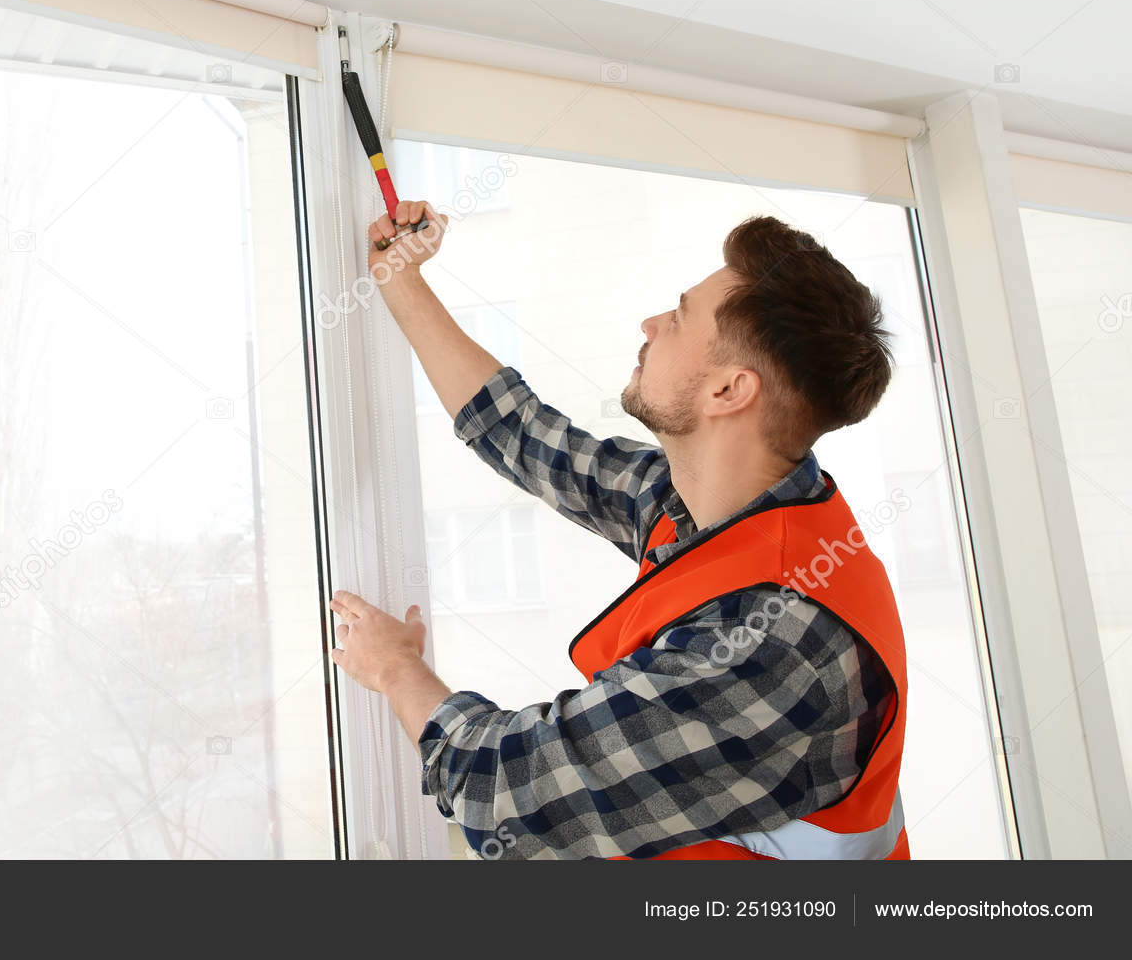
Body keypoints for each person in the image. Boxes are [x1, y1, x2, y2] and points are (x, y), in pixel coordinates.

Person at [329, 201, 910, 860]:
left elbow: (509, 792)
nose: (651, 324)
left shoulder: (775, 645)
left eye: (679, 317)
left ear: (729, 390)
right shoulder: (720, 503)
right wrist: (399, 276)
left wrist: (396, 666)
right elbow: (523, 435)